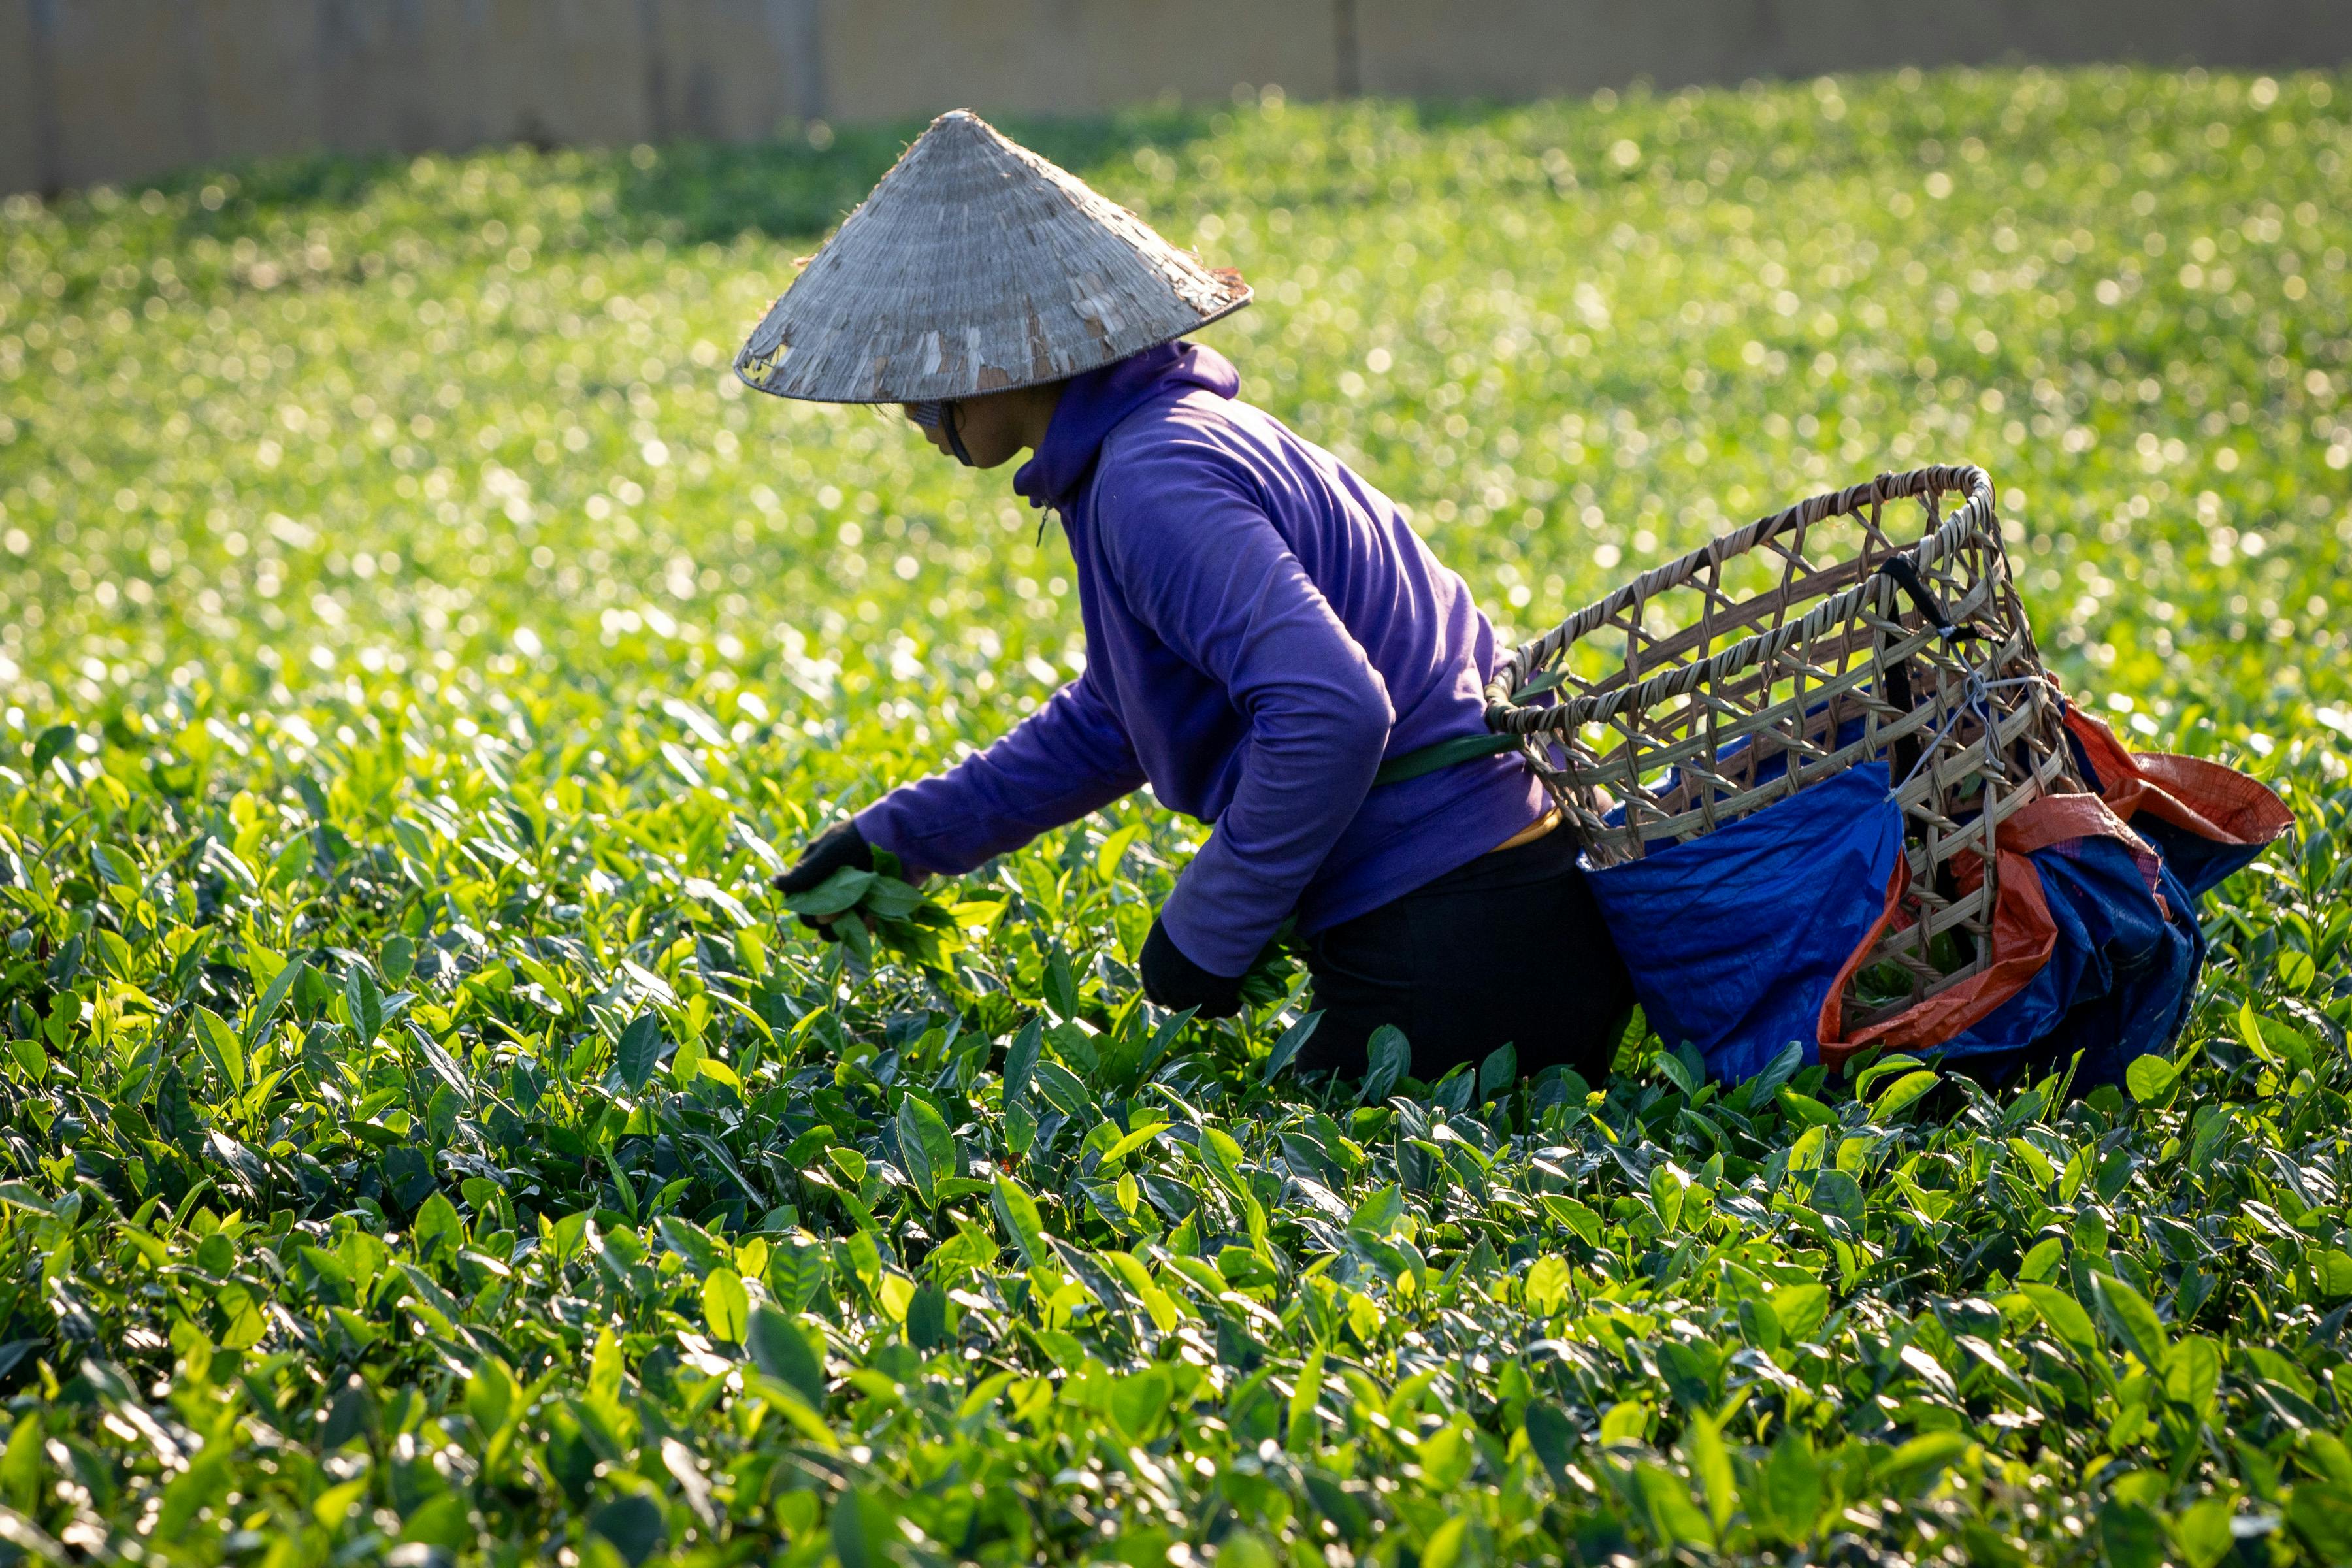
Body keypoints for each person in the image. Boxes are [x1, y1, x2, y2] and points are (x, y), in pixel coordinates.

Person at [737, 110, 1631, 1086]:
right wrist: (898, 842)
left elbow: (1332, 710)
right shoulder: (1157, 441)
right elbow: (1118, 721)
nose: (905, 410)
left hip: (1461, 933)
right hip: (1499, 908)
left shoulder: (1151, 478)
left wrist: (1207, 928)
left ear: (1002, 353)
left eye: (915, 379)